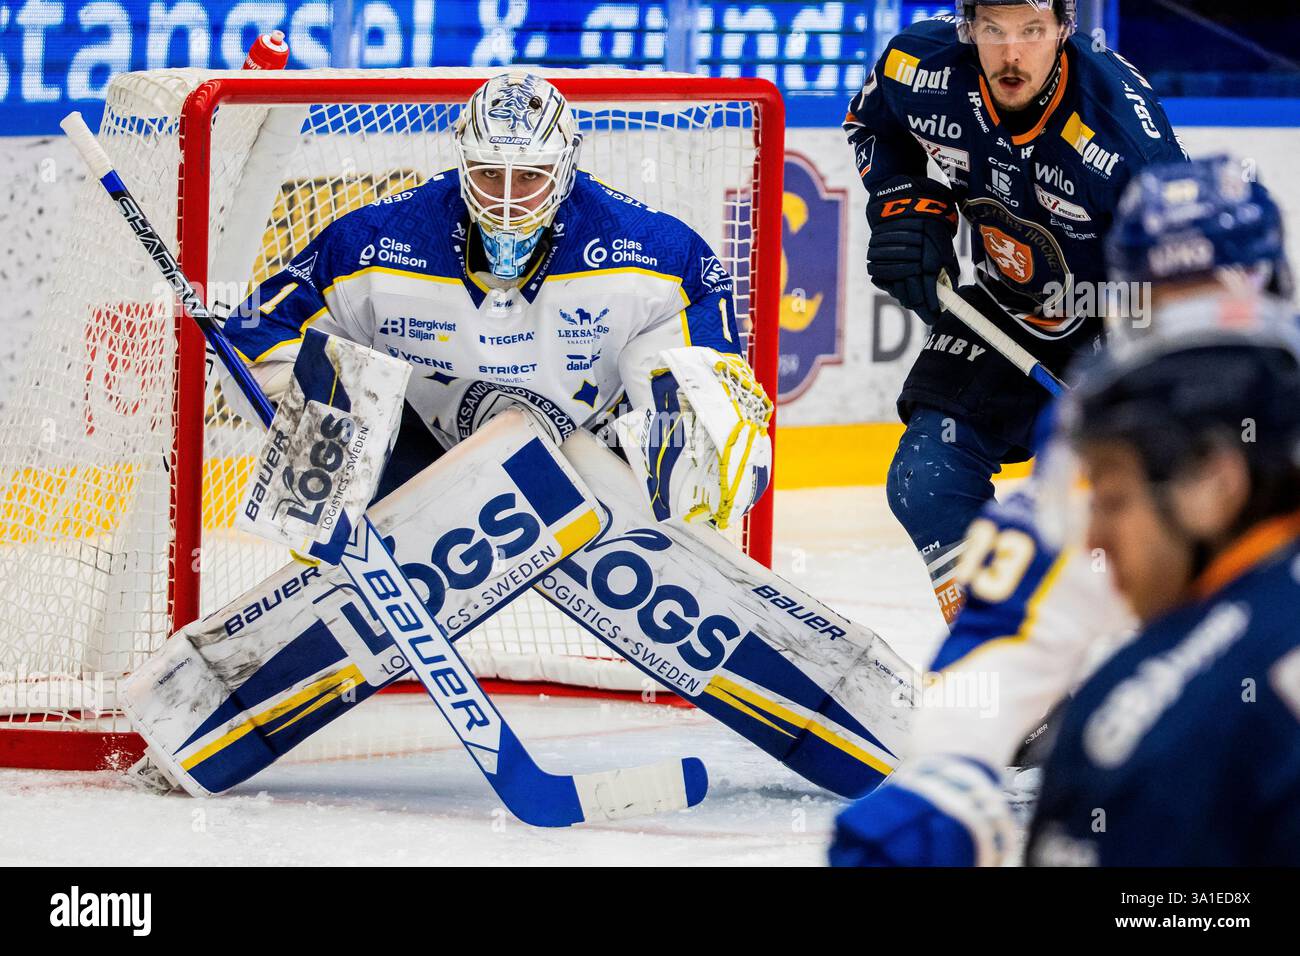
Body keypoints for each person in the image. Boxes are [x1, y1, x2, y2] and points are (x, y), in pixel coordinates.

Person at [830, 154, 1295, 866]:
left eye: (1215, 293)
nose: (1200, 336)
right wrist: (950, 769)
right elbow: (1015, 619)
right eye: (1170, 302)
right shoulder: (1102, 434)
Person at [226, 70, 771, 531]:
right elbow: (253, 336)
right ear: (463, 162)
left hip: (588, 456)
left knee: (708, 445)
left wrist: (712, 433)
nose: (508, 199)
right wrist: (329, 431)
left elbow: (705, 326)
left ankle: (681, 557)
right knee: (318, 383)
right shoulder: (372, 241)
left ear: (564, 169)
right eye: (489, 173)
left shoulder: (652, 252)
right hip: (416, 463)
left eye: (529, 176)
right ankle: (340, 561)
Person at [844, 0, 1185, 622]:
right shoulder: (917, 66)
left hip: (1118, 316)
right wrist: (906, 206)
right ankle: (1000, 659)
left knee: (1137, 516)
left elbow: (1180, 277)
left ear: (1063, 29)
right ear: (968, 27)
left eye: (1031, 31)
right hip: (1009, 304)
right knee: (928, 481)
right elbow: (874, 126)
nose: (1011, 53)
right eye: (994, 31)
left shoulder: (1122, 137)